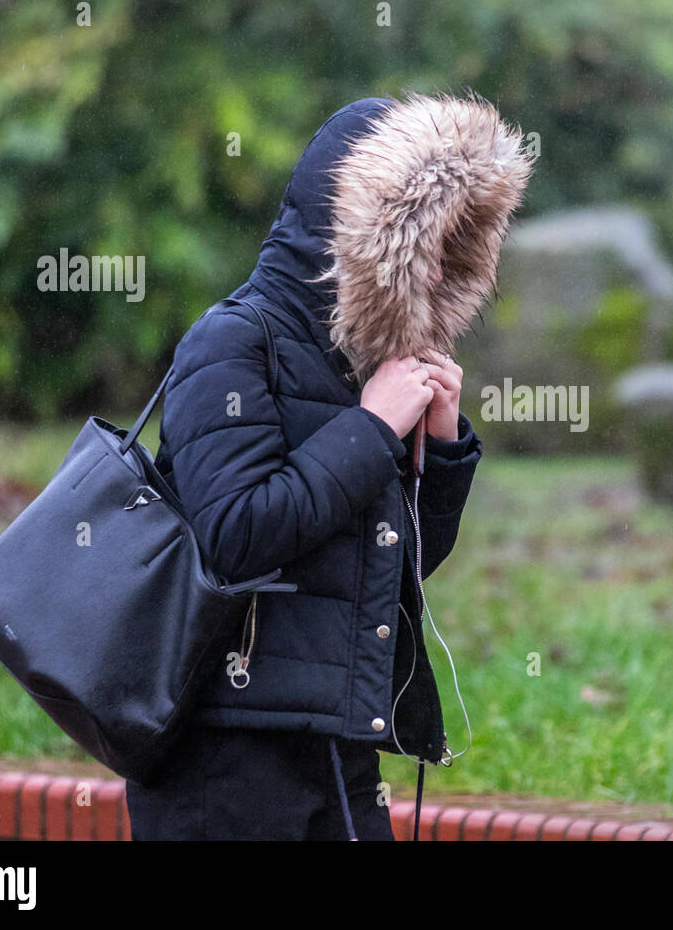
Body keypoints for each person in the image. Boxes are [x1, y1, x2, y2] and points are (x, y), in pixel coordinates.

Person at [124, 94, 525, 839]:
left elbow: (388, 571)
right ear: (359, 232)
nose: (437, 260)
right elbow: (236, 536)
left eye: (453, 240)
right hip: (225, 757)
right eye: (425, 234)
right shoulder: (233, 342)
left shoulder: (367, 368)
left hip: (341, 741)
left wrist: (438, 448)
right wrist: (372, 428)